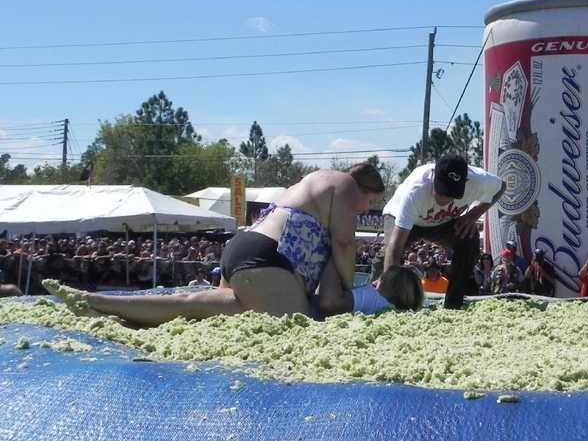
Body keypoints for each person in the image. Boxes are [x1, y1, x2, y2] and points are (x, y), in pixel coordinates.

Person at [42, 164, 386, 324]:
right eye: (369, 203)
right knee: (297, 324)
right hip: (268, 262)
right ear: (366, 189)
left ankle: (100, 304)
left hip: (247, 247)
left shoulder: (312, 183)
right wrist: (349, 285)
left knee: (194, 306)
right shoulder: (344, 185)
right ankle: (100, 302)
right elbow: (344, 244)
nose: (364, 209)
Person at [376, 154, 505, 309]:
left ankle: (453, 304)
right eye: (441, 192)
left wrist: (473, 214)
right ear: (434, 176)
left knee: (469, 239)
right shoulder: (416, 191)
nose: (444, 200)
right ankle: (380, 301)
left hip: (443, 222)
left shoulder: (480, 181)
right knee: (386, 259)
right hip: (403, 219)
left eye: (451, 195)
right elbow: (396, 246)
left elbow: (501, 187)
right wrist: (388, 284)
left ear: (466, 182)